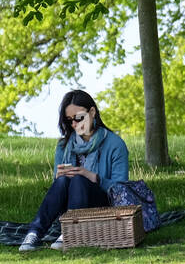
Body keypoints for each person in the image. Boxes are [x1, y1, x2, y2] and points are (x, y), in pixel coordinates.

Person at [20, 90, 128, 251]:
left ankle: (70, 232)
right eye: (69, 120)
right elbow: (58, 188)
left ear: (92, 112)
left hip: (102, 206)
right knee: (64, 180)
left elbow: (122, 190)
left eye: (78, 118)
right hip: (69, 205)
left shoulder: (115, 144)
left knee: (79, 179)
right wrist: (58, 177)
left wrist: (92, 177)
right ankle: (34, 232)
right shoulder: (64, 146)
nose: (74, 124)